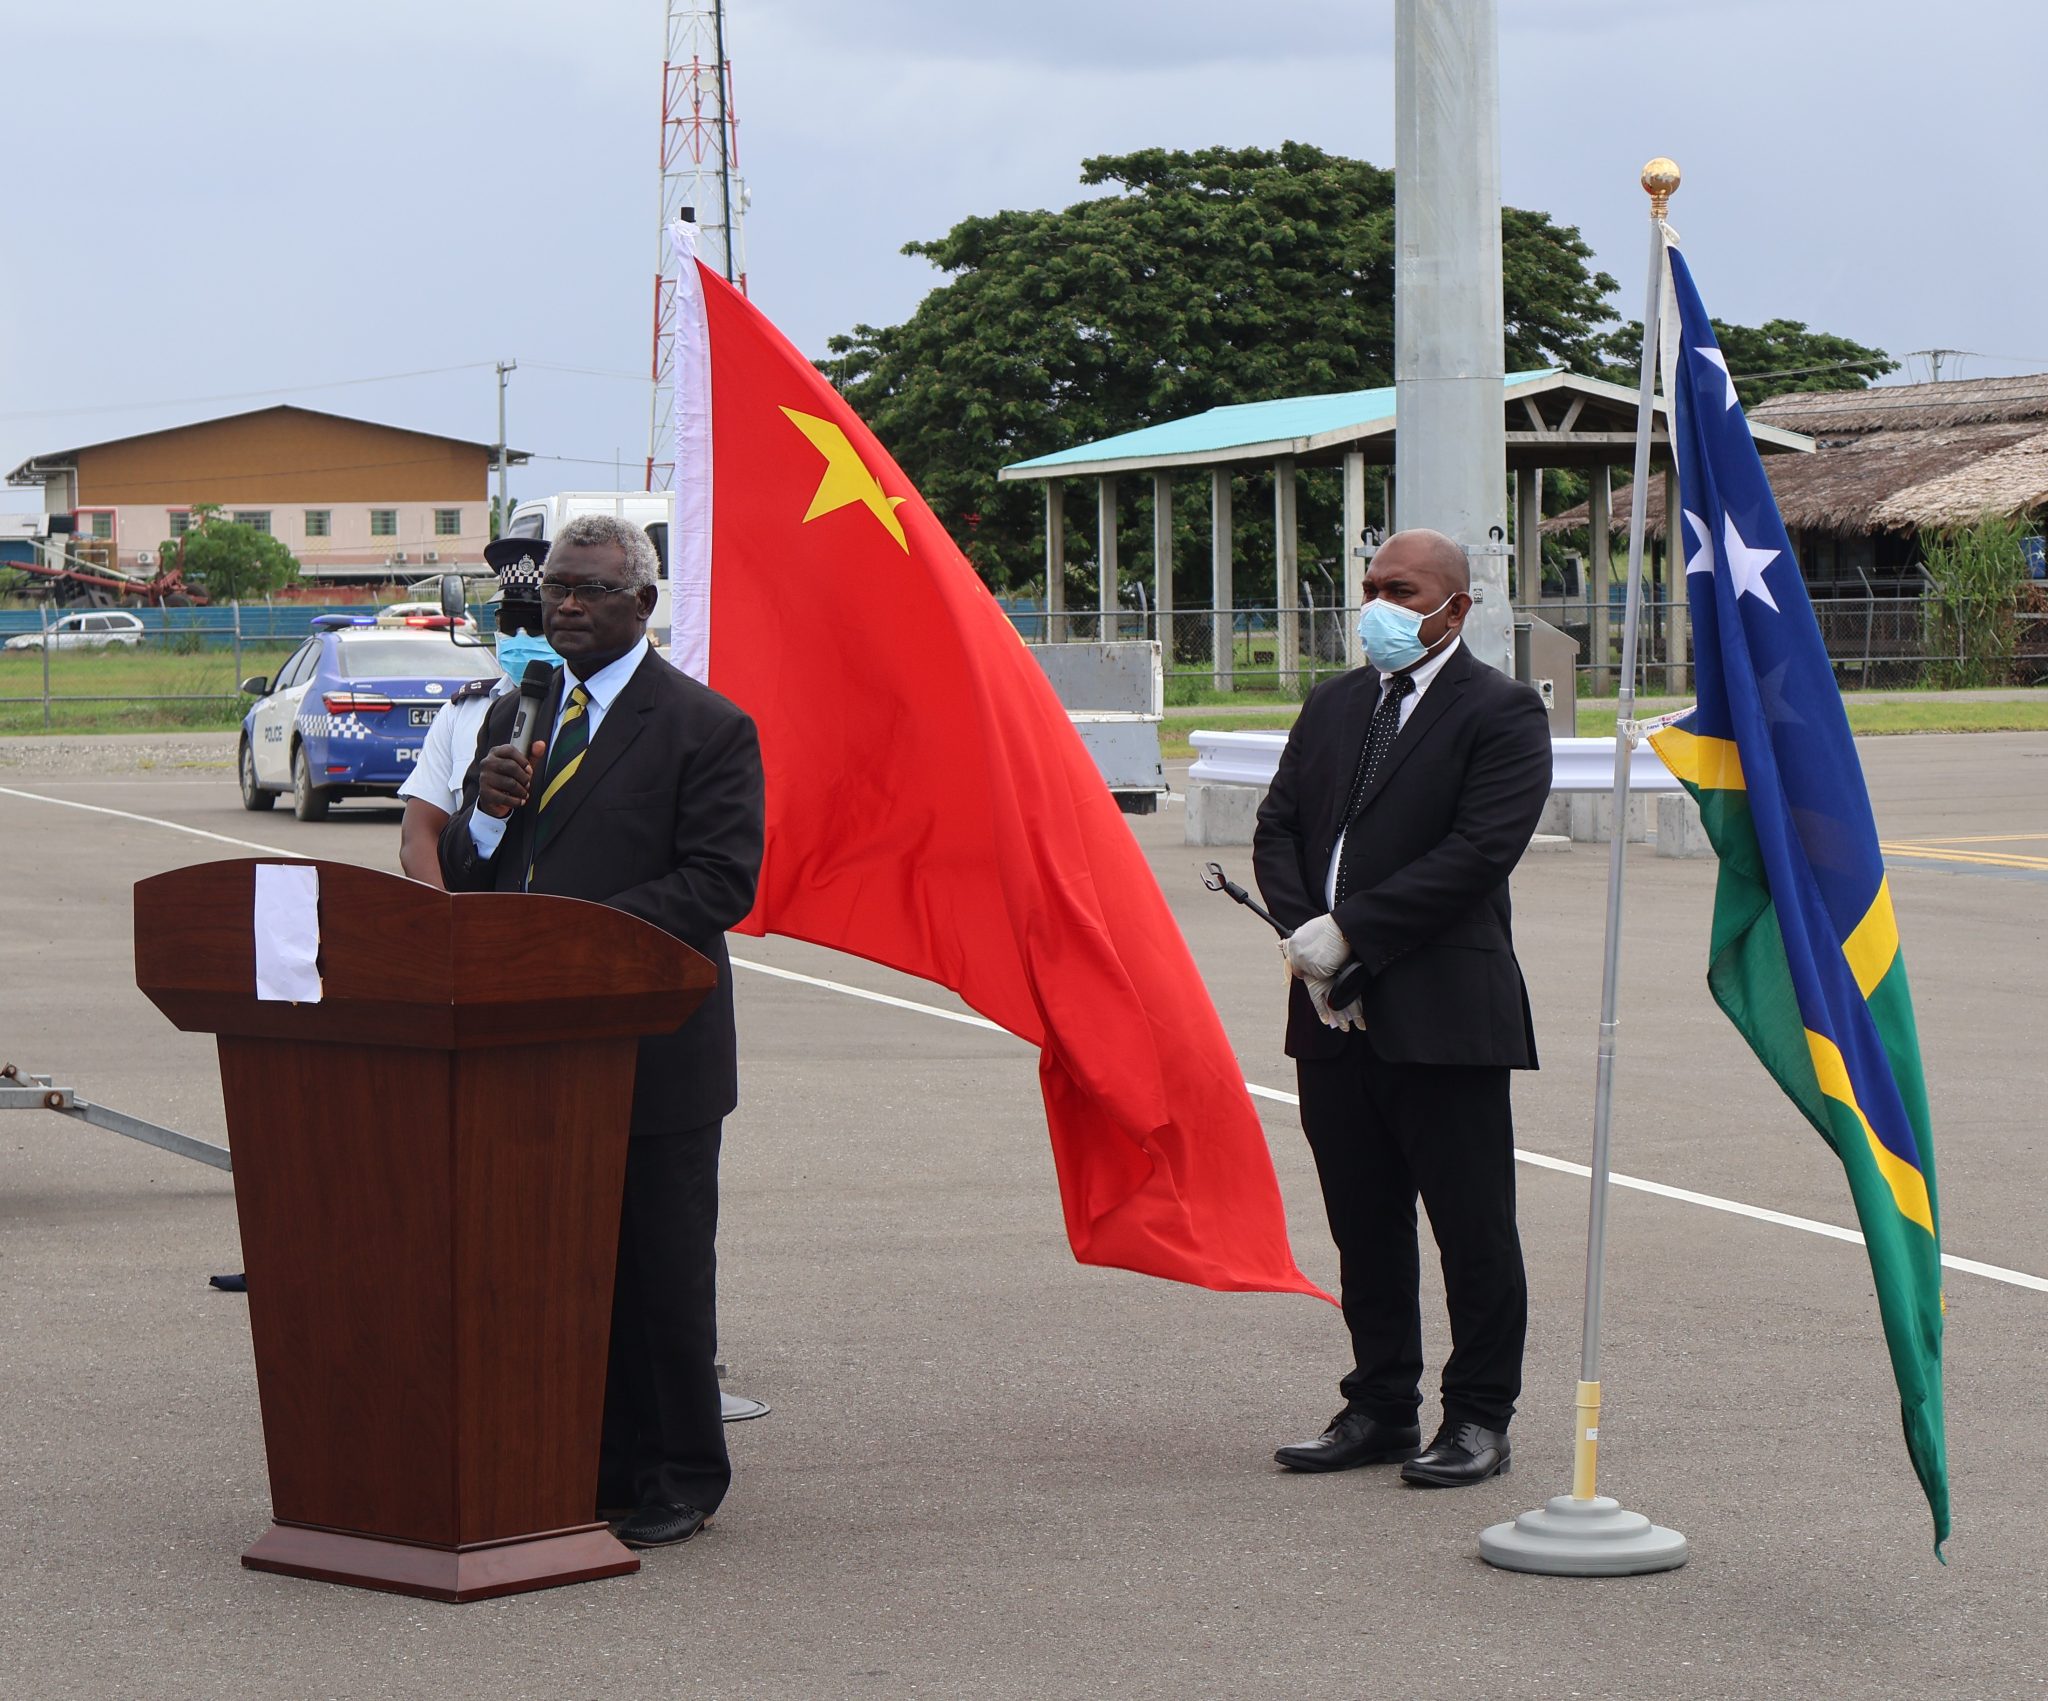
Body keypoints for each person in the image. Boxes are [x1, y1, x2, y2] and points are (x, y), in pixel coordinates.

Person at [439, 513, 765, 1549]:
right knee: (565, 1269)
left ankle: (681, 1475)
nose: (566, 607)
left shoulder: (705, 727)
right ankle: (593, 1464)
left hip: (655, 1048)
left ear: (644, 604)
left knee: (659, 1273)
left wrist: (574, 938)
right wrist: (486, 815)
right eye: (555, 590)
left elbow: (718, 882)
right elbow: (465, 874)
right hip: (536, 1050)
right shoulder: (517, 712)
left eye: (589, 590)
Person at [1252, 528, 1552, 1488]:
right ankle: (1380, 1405)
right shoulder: (1335, 702)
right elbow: (1278, 825)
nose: (1377, 605)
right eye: (1371, 586)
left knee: (1472, 1229)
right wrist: (1307, 936)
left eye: (1402, 590)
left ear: (1455, 608)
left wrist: (1352, 932)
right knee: (1364, 1225)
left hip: (1444, 1011)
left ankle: (1478, 1417)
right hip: (1329, 1010)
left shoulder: (1501, 711)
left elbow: (1478, 852)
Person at [397, 538, 557, 886]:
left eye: (535, 623)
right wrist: (446, 910)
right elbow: (419, 833)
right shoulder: (462, 712)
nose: (520, 636)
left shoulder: (589, 710)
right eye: (508, 621)